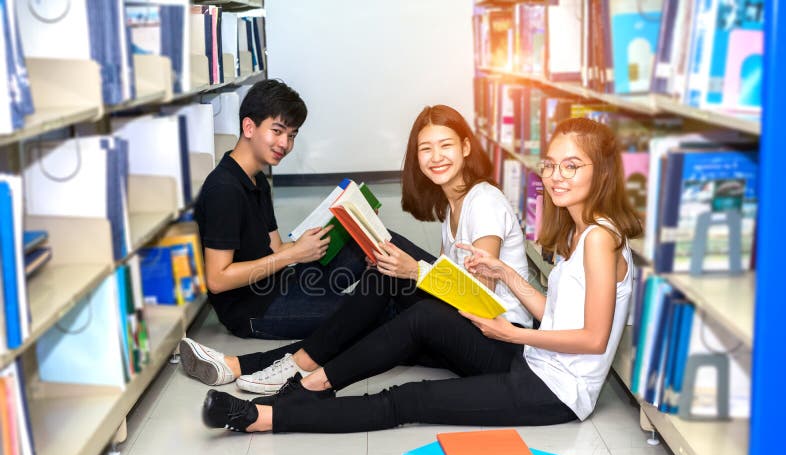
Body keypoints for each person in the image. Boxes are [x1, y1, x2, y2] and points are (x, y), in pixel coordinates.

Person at [199, 116, 644, 434]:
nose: (555, 177)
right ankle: (298, 391)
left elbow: (594, 339)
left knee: (407, 397)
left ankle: (273, 409)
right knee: (397, 314)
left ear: (602, 172)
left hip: (552, 389)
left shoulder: (599, 239)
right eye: (550, 165)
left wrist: (513, 334)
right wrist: (507, 273)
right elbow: (555, 314)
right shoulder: (580, 234)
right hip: (532, 363)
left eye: (572, 166)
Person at [180, 104, 532, 394]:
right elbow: (449, 281)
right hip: (470, 333)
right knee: (381, 275)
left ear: (466, 147)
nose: (436, 157)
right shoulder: (453, 206)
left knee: (388, 261)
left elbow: (482, 297)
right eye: (426, 149)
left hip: (497, 342)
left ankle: (286, 368)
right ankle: (260, 366)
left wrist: (413, 271)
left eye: (446, 146)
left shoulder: (483, 203)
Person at [193, 78, 370, 340]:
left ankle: (425, 285)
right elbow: (217, 280)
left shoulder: (257, 178)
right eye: (277, 131)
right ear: (249, 127)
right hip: (254, 310)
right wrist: (294, 254)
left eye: (292, 135)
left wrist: (313, 241)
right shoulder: (224, 189)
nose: (285, 144)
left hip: (281, 282)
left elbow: (275, 248)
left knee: (369, 240)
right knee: (368, 311)